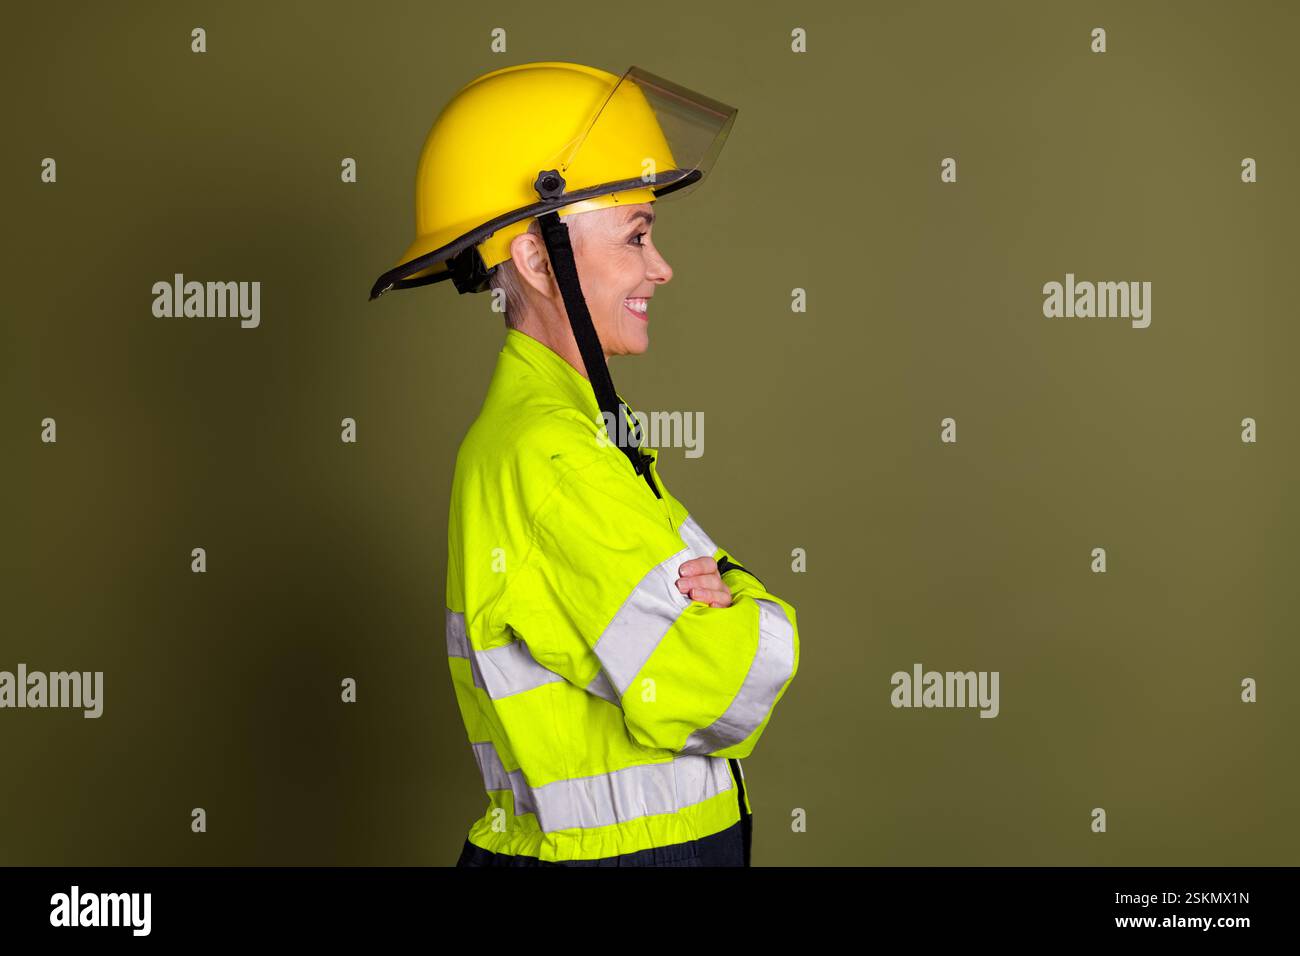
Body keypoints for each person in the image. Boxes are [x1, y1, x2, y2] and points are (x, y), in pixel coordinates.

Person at [370, 61, 800, 867]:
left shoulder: (571, 431)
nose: (660, 266)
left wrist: (719, 589)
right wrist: (744, 598)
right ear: (538, 262)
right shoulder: (553, 456)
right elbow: (725, 684)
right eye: (637, 235)